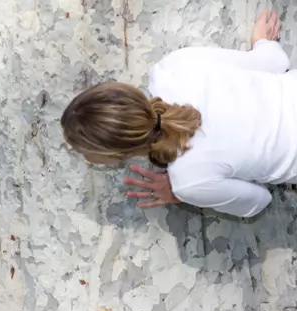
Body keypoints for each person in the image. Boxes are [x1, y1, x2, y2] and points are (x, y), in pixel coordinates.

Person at [61, 10, 297, 218]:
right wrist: (262, 43)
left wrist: (181, 194)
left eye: (87, 153)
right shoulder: (172, 68)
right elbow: (275, 62)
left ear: (116, 155)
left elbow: (258, 202)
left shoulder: (189, 182)